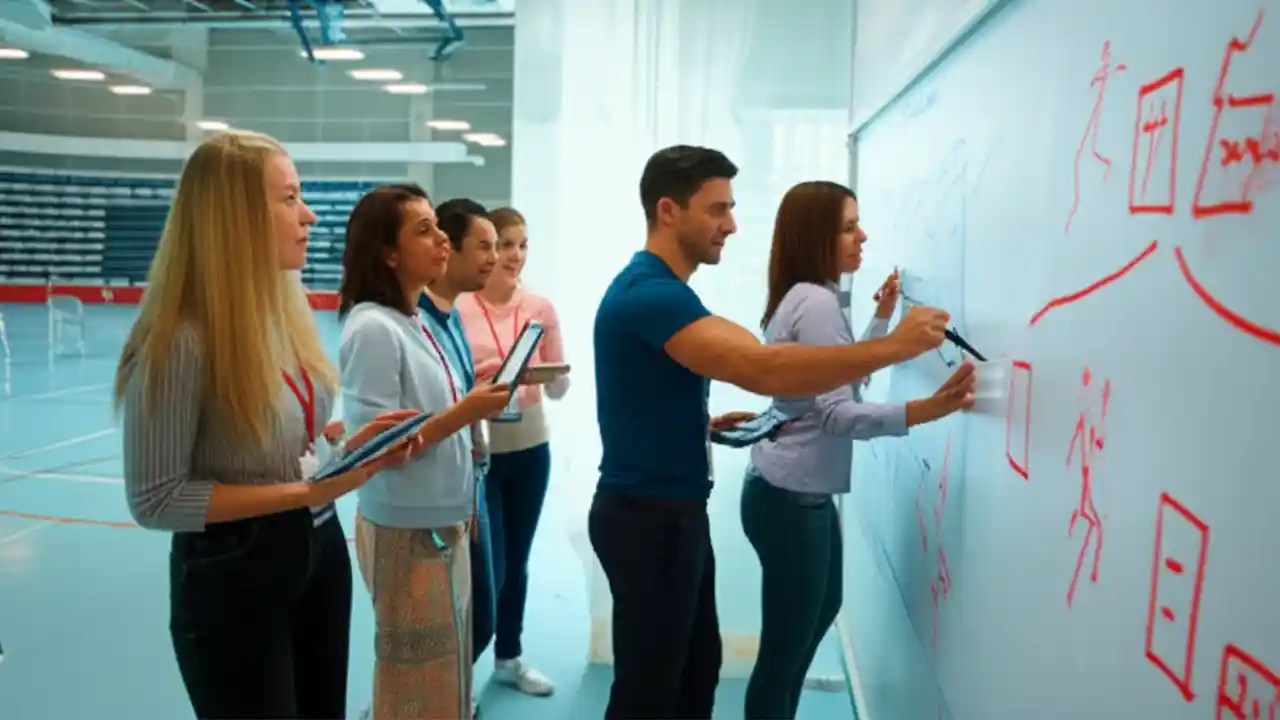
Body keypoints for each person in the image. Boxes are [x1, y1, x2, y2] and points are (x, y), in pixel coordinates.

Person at [589, 144, 952, 719]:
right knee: (650, 695)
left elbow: (728, 367)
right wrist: (895, 345)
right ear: (668, 211)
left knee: (693, 677)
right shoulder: (650, 295)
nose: (732, 225)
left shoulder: (665, 291)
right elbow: (764, 369)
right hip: (648, 520)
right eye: (718, 209)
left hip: (670, 512)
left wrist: (696, 424)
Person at [116, 130, 414, 719]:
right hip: (237, 571)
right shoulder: (181, 340)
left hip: (317, 547)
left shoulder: (282, 315)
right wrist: (305, 492)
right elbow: (155, 499)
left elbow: (286, 447)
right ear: (236, 218)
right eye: (289, 198)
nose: (309, 215)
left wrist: (343, 450)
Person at [742, 180, 976, 719]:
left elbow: (840, 376)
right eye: (849, 228)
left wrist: (881, 319)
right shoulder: (818, 303)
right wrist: (926, 410)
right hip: (791, 499)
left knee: (810, 624)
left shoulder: (808, 295)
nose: (862, 236)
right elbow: (837, 414)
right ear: (817, 236)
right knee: (783, 656)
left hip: (790, 494)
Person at [336, 184, 512, 720]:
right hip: (406, 529)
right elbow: (379, 447)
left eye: (438, 227)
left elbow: (426, 410)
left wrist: (468, 397)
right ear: (389, 253)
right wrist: (466, 411)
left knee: (444, 674)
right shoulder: (373, 327)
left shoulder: (412, 319)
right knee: (413, 682)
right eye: (425, 230)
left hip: (440, 520)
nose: (442, 240)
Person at [456, 205, 568, 697]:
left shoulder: (540, 307)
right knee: (491, 565)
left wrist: (549, 375)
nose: (514, 255)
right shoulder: (460, 307)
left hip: (531, 448)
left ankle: (509, 657)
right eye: (504, 244)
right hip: (480, 450)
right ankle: (456, 669)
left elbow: (560, 387)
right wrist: (485, 378)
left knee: (517, 558)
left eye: (522, 245)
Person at [418, 197, 499, 717]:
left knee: (478, 620)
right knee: (444, 629)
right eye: (484, 246)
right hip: (435, 499)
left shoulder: (451, 319)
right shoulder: (411, 322)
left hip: (470, 483)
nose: (495, 258)